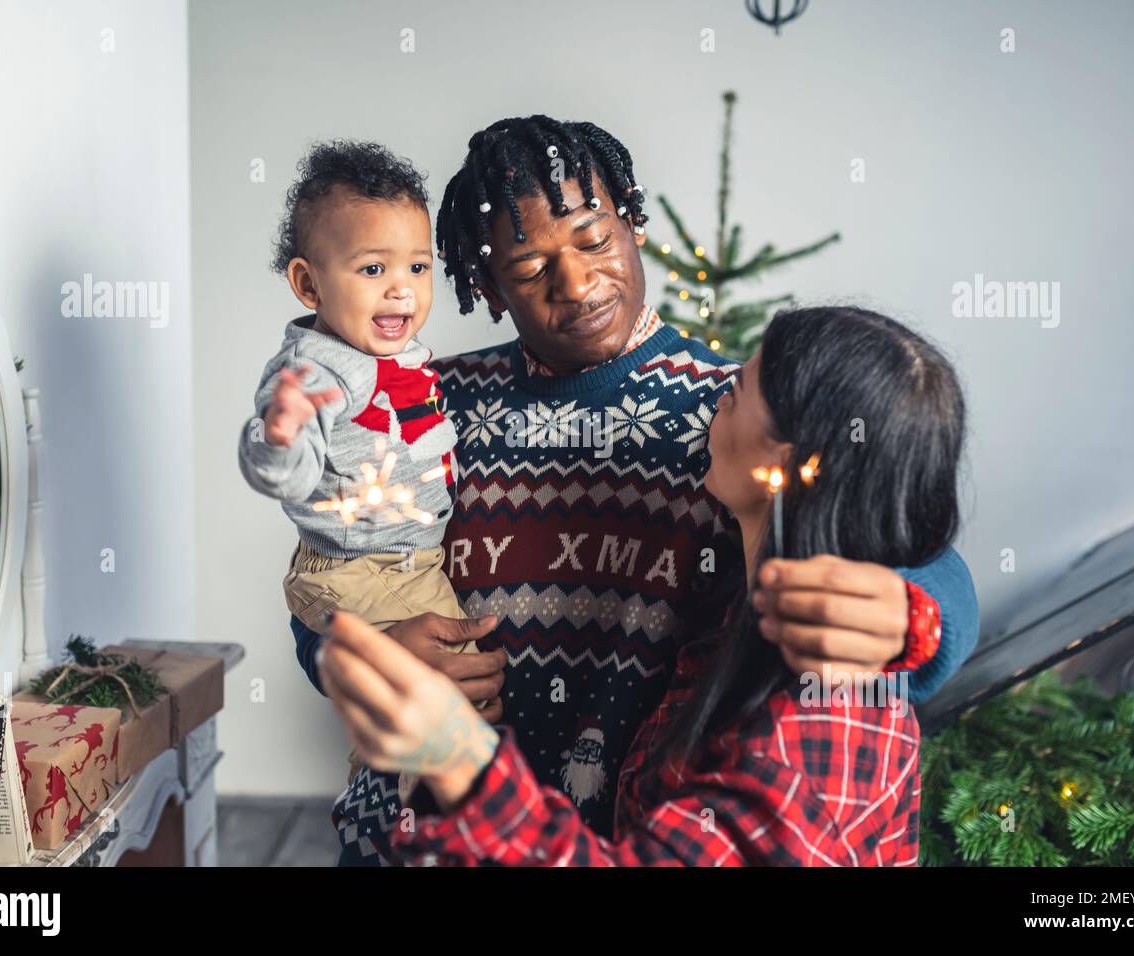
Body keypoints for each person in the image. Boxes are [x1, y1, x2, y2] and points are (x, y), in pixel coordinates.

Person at [290, 116, 978, 865]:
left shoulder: (729, 416)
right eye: (528, 269)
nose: (578, 284)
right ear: (485, 285)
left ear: (634, 224)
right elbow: (332, 569)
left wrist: (914, 614)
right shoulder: (425, 409)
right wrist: (370, 647)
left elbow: (901, 538)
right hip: (430, 834)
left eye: (594, 241)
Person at [238, 141, 474, 802]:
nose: (402, 287)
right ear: (309, 284)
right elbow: (281, 472)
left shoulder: (404, 352)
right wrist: (279, 433)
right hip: (353, 572)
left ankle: (394, 808)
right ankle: (398, 826)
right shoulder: (311, 372)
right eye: (373, 267)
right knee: (428, 712)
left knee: (461, 708)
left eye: (418, 267)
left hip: (413, 565)